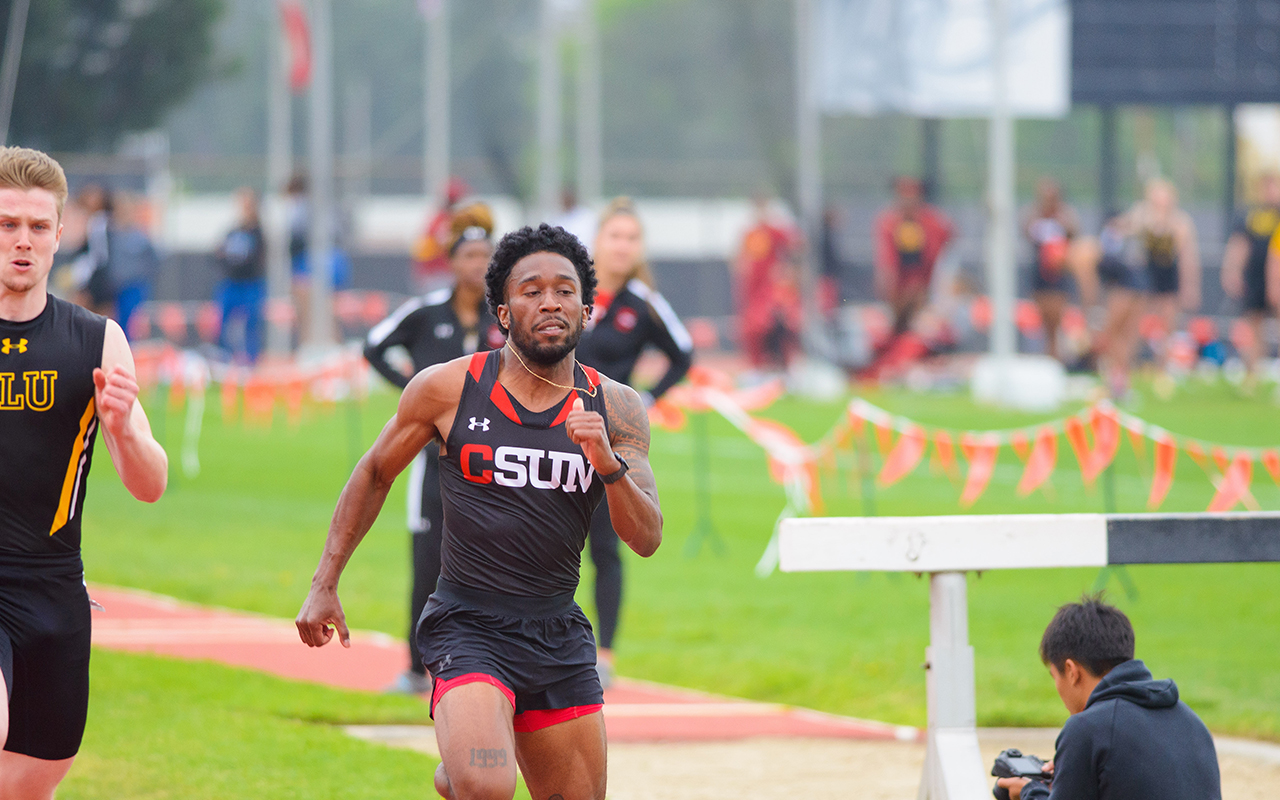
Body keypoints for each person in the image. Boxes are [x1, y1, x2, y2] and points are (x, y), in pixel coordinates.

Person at [297, 223, 663, 800]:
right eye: (531, 289)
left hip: (557, 631)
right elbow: (374, 472)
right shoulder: (447, 389)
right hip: (468, 624)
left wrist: (607, 462)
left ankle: (460, 767)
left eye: (565, 290)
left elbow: (645, 537)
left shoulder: (616, 406)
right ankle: (467, 766)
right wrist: (325, 582)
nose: (549, 302)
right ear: (502, 310)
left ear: (587, 308)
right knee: (489, 785)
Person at [0, 146, 168, 797]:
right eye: (7, 223)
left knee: (34, 781)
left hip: (53, 587)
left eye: (37, 227)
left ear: (61, 235)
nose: (22, 241)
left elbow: (149, 485)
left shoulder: (98, 341)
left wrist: (124, 427)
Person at [363, 203, 507, 695]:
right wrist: (409, 389)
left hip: (490, 462)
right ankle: (413, 666)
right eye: (468, 255)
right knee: (427, 561)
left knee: (494, 561)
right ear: (451, 260)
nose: (477, 264)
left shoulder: (504, 318)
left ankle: (489, 664)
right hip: (432, 461)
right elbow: (374, 344)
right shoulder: (426, 314)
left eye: (485, 255)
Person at [575, 198, 692, 687]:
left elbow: (683, 354)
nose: (622, 246)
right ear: (597, 241)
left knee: (606, 546)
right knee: (545, 540)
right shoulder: (570, 288)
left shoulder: (643, 302)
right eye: (614, 236)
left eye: (631, 238)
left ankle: (605, 656)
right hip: (552, 432)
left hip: (612, 442)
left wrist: (645, 399)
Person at [996, 596, 1221, 800]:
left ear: (1072, 671)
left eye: (1054, 676)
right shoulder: (1192, 722)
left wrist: (1030, 792)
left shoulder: (1086, 729)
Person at [1122, 179, 1201, 383]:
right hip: (1145, 276)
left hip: (1167, 275)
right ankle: (1127, 367)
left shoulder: (1180, 222)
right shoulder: (1141, 215)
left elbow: (1187, 257)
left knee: (1167, 324)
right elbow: (1126, 234)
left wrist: (1190, 287)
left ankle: (1162, 370)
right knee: (1136, 322)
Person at [873, 176, 953, 339]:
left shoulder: (930, 221)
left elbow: (945, 241)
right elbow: (887, 260)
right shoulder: (890, 222)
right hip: (901, 289)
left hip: (924, 287)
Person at [1223, 173, 1280, 383]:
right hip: (1255, 277)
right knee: (1254, 324)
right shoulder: (1249, 214)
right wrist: (1233, 271)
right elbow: (1239, 245)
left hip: (1277, 276)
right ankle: (1253, 374)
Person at [735, 193, 802, 370]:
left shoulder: (775, 231)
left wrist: (786, 271)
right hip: (752, 292)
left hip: (769, 291)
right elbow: (740, 258)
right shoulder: (749, 233)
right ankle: (758, 367)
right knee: (751, 329)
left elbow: (795, 247)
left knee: (773, 324)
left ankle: (782, 364)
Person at [1024, 178, 1079, 361]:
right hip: (1040, 272)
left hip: (1058, 273)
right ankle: (1047, 354)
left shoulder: (1065, 216)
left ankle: (1055, 355)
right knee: (1042, 318)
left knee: (1056, 318)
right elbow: (1025, 230)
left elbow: (1073, 232)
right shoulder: (1034, 215)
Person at [215, 187, 267, 363]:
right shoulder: (233, 231)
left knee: (252, 325)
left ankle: (251, 362)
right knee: (222, 324)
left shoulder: (258, 232)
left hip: (251, 284)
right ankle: (223, 360)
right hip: (231, 283)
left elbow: (258, 260)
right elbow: (219, 253)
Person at [109, 192, 161, 340]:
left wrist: (143, 276)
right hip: (114, 287)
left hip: (133, 286)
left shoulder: (139, 235)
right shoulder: (111, 234)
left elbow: (154, 259)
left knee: (130, 323)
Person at [412, 177, 469, 294]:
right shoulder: (442, 221)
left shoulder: (441, 219)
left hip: (441, 275)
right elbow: (425, 252)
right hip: (438, 276)